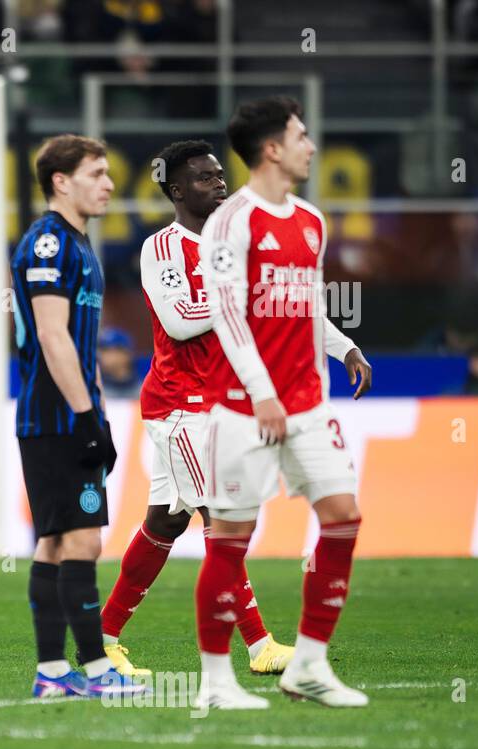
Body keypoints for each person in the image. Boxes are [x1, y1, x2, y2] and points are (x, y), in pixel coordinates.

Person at [102, 139, 371, 678]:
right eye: (204, 178)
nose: (219, 184)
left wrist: (344, 347)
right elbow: (178, 321)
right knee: (220, 517)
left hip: (223, 405)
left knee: (166, 521)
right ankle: (260, 645)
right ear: (177, 191)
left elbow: (285, 304)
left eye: (221, 174)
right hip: (181, 406)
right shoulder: (162, 248)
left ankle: (102, 635)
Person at [197, 97, 371, 709]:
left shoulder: (311, 222)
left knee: (344, 517)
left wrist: (344, 347)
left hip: (307, 406)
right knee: (230, 539)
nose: (311, 146)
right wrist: (262, 394)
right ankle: (216, 683)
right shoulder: (230, 223)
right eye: (301, 135)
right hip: (243, 409)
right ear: (272, 148)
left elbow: (306, 305)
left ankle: (309, 665)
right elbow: (226, 315)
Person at [11, 134, 147, 700]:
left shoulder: (80, 245)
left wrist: (98, 411)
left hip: (65, 416)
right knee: (84, 542)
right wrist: (88, 416)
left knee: (56, 544)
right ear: (61, 181)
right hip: (54, 419)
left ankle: (53, 674)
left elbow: (81, 349)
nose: (109, 184)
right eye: (96, 173)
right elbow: (50, 334)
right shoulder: (48, 244)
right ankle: (94, 670)